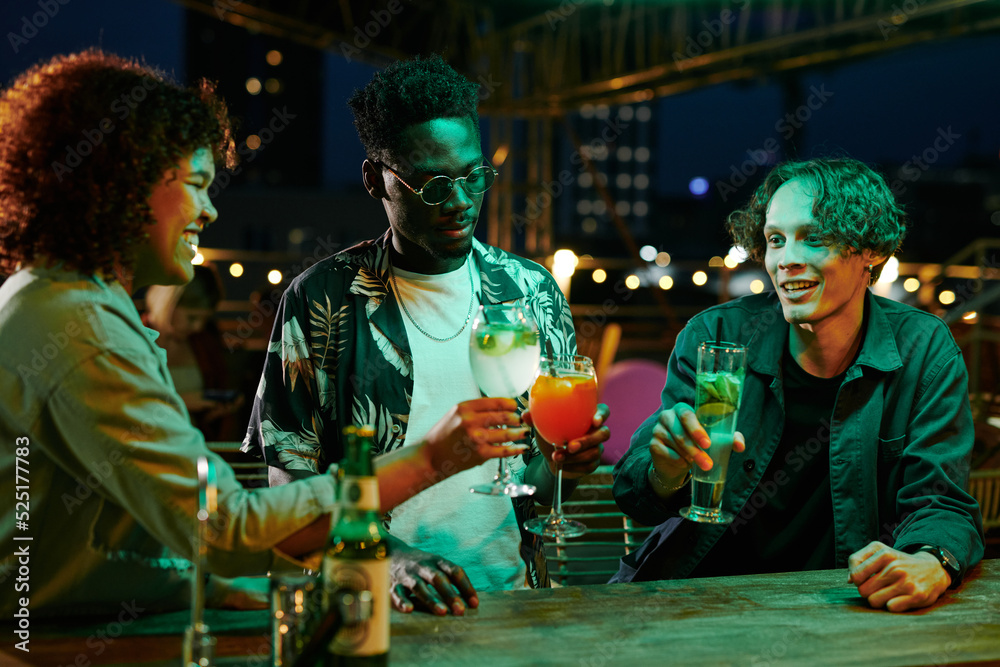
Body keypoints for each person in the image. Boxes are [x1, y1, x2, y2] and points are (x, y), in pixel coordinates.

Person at [0, 50, 524, 617]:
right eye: (197, 184)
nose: (209, 211)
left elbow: (123, 542)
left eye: (473, 176)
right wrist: (427, 461)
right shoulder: (82, 330)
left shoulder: (51, 302)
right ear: (119, 185)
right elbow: (225, 526)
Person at [243, 55, 610, 615]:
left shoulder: (530, 293)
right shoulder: (320, 300)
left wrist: (562, 466)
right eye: (433, 185)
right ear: (376, 180)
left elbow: (528, 489)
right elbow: (286, 496)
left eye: (472, 176)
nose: (461, 202)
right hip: (367, 613)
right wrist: (387, 559)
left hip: (511, 605)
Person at [612, 158, 984, 612]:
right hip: (699, 597)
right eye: (775, 240)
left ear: (870, 251)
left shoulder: (923, 350)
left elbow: (940, 502)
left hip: (842, 609)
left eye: (814, 237)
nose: (786, 259)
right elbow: (636, 498)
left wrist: (933, 560)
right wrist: (665, 473)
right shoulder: (718, 338)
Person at [145, 264, 243, 440]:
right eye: (191, 317)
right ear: (168, 305)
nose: (198, 327)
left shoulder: (204, 343)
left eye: (204, 319)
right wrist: (181, 401)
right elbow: (121, 403)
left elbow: (219, 386)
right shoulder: (137, 338)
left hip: (196, 447)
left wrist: (221, 408)